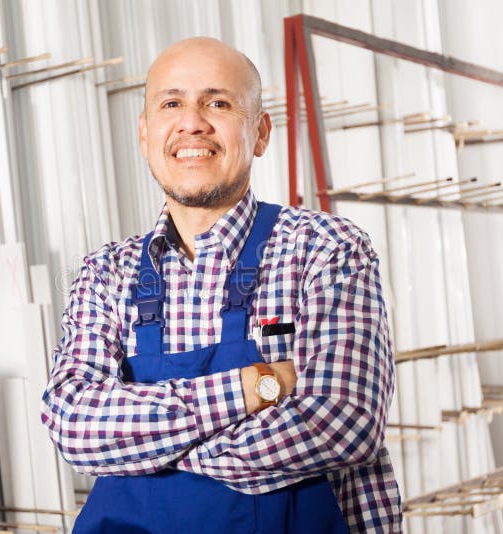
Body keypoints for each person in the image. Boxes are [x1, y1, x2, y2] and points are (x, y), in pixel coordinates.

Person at [41, 36, 401, 533]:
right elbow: (74, 426)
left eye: (218, 102)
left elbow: (342, 422)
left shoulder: (328, 250)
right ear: (145, 135)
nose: (193, 122)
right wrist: (253, 386)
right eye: (172, 103)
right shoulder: (105, 274)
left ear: (260, 132)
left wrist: (154, 452)